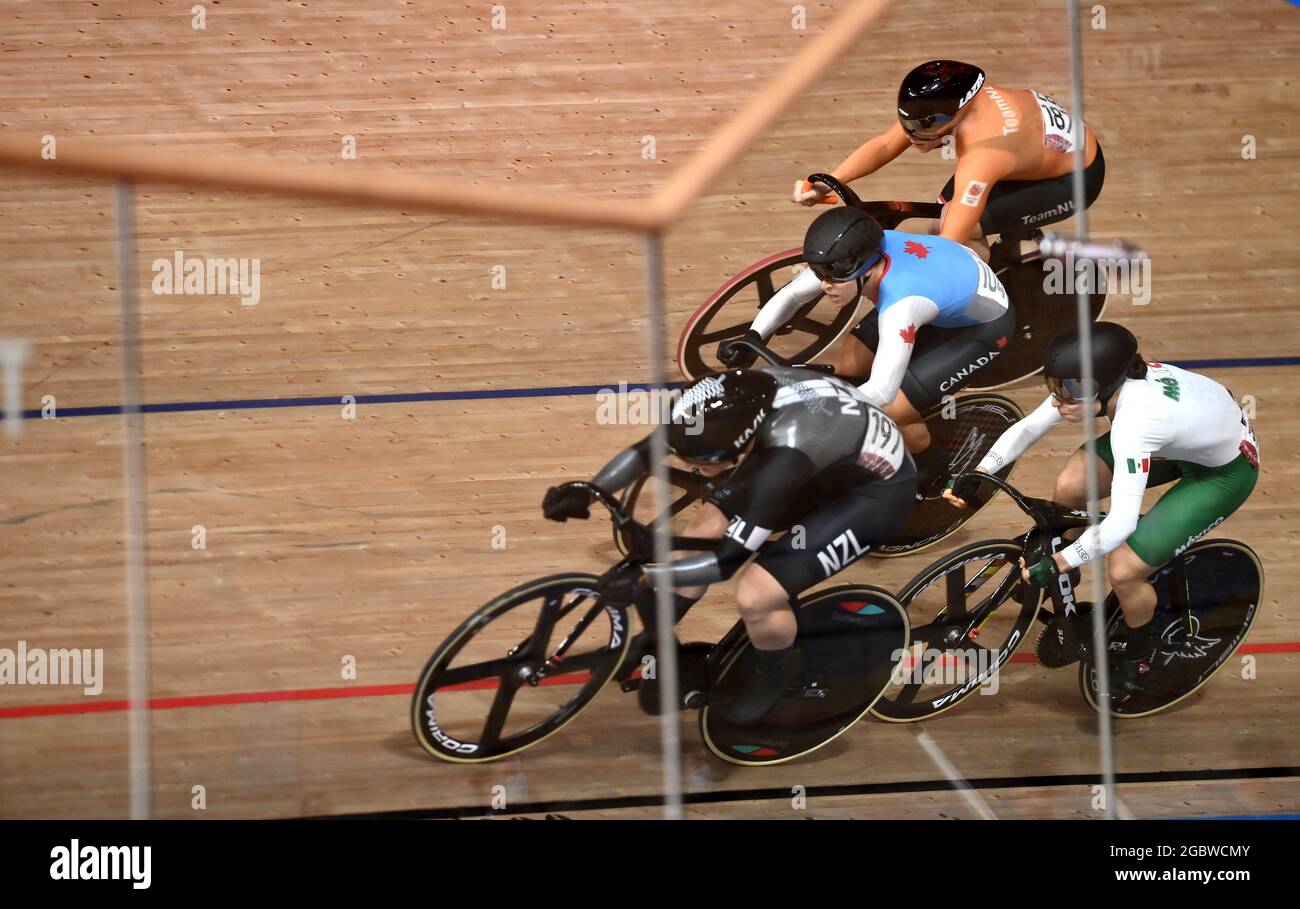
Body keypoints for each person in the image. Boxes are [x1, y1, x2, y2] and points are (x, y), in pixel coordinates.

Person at [541, 366, 916, 723]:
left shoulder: (785, 459)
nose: (694, 469)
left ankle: (778, 671)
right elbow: (645, 452)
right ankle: (655, 635)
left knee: (756, 595)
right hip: (825, 452)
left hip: (872, 494)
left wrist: (644, 579)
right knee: (700, 532)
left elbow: (726, 562)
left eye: (701, 464)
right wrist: (589, 493)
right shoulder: (732, 398)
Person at [944, 323, 1260, 696]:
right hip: (1181, 440)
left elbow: (1122, 522)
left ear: (1104, 384)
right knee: (1070, 485)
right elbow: (1029, 428)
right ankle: (1065, 583)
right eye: (1055, 385)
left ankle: (1140, 652)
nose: (1059, 399)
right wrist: (980, 471)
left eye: (1070, 389)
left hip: (1223, 474)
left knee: (1124, 569)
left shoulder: (1135, 422)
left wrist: (1060, 563)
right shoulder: (1095, 382)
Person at [728, 205, 1014, 494]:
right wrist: (754, 335)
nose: (826, 286)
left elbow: (882, 390)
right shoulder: (853, 254)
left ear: (866, 270)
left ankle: (934, 469)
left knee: (891, 411)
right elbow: (792, 294)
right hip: (944, 291)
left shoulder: (901, 304)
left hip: (981, 331)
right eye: (821, 276)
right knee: (849, 370)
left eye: (834, 279)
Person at [794, 60, 1105, 265]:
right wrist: (828, 182)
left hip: (1070, 180)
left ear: (958, 114)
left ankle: (981, 310)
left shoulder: (984, 153)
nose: (913, 138)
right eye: (910, 126)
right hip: (1031, 151)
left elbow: (949, 243)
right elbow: (886, 143)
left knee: (958, 236)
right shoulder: (955, 103)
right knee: (938, 219)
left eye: (924, 129)